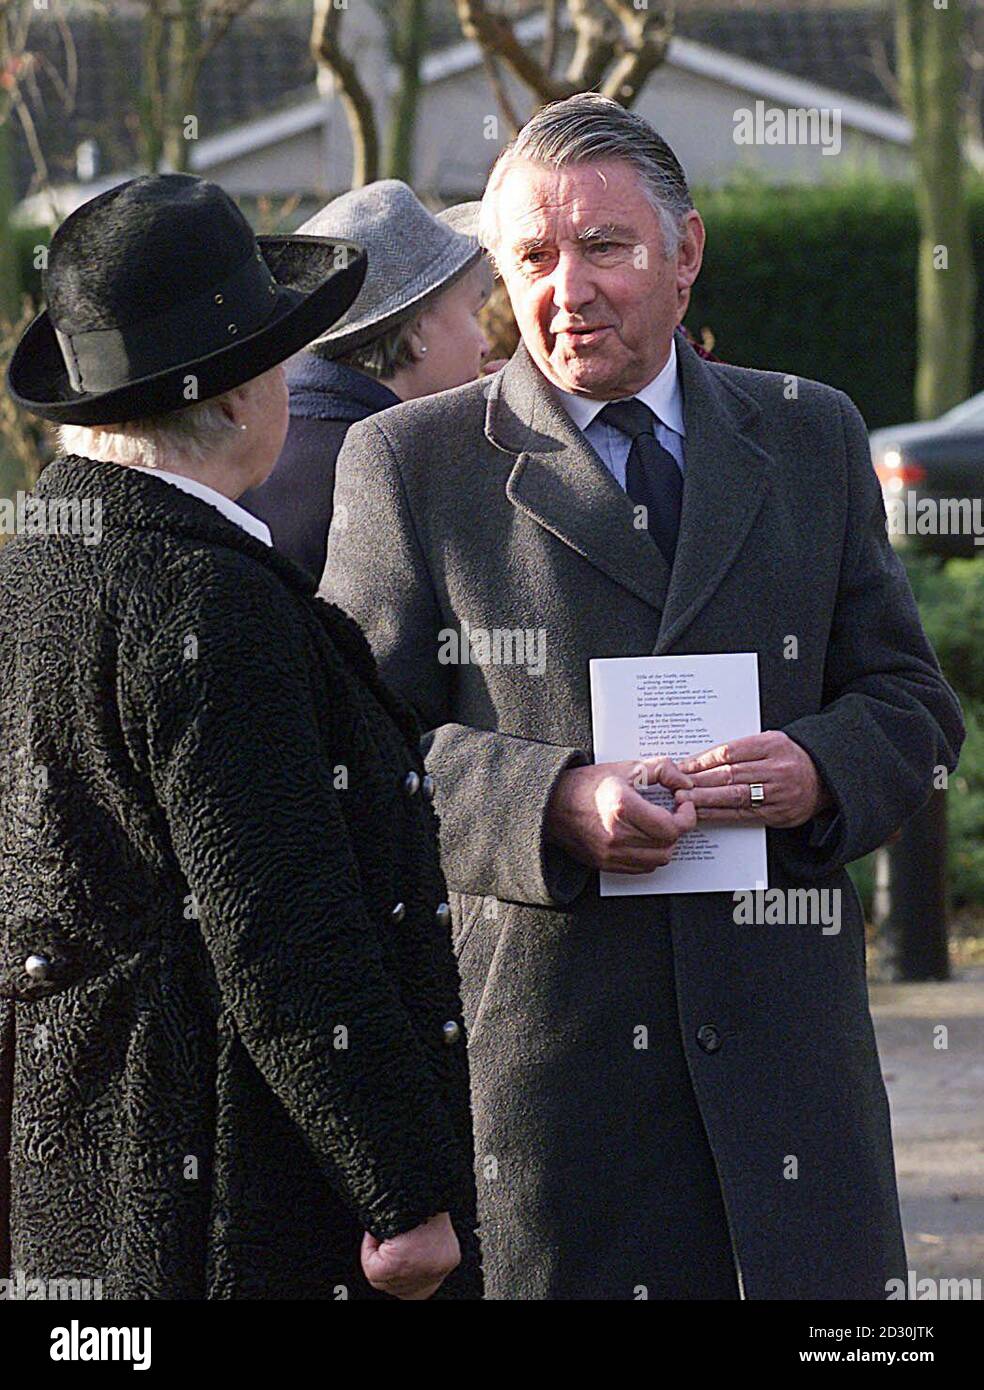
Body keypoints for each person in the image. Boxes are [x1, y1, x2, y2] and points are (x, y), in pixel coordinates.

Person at [322, 93, 965, 1300]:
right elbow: (355, 757)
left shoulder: (811, 432)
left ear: (688, 253)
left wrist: (823, 767)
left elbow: (913, 704)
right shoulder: (410, 463)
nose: (568, 290)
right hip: (553, 1096)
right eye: (533, 257)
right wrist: (551, 801)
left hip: (793, 1086)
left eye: (606, 248)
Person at [1, 172, 480, 1301]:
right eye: (276, 356)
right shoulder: (205, 601)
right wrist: (404, 1193)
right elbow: (281, 925)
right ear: (232, 397)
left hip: (72, 1170)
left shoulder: (35, 568)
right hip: (225, 1200)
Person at [240, 181, 495, 580]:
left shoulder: (254, 440)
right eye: (473, 313)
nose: (485, 344)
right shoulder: (403, 470)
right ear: (416, 330)